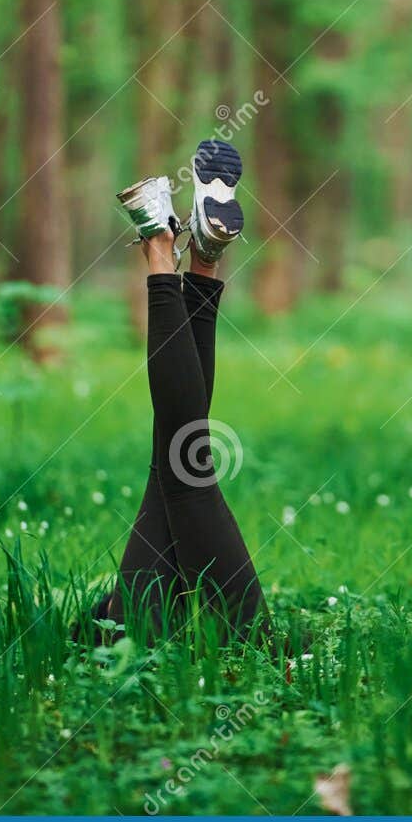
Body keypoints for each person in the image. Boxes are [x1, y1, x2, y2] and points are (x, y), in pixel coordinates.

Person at [83, 138, 268, 644]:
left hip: (133, 636)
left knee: (181, 472)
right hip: (155, 635)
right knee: (180, 472)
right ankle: (171, 246)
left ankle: (177, 253)